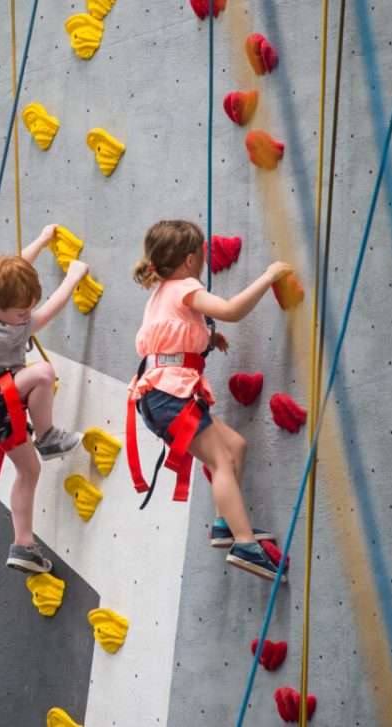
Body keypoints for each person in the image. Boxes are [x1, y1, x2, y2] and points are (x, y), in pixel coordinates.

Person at [131, 220, 292, 581]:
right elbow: (231, 310)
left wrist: (207, 339)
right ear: (190, 259)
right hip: (169, 396)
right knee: (222, 461)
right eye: (202, 254)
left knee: (236, 445)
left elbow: (171, 339)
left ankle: (225, 525)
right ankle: (247, 544)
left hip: (161, 395)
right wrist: (269, 275)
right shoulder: (185, 287)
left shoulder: (160, 295)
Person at [0, 224, 89, 573]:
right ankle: (47, 436)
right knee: (43, 374)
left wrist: (43, 239)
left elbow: (16, 266)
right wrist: (73, 276)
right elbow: (48, 313)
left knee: (28, 470)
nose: (26, 315)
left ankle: (22, 544)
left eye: (26, 310)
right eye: (21, 312)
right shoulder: (6, 332)